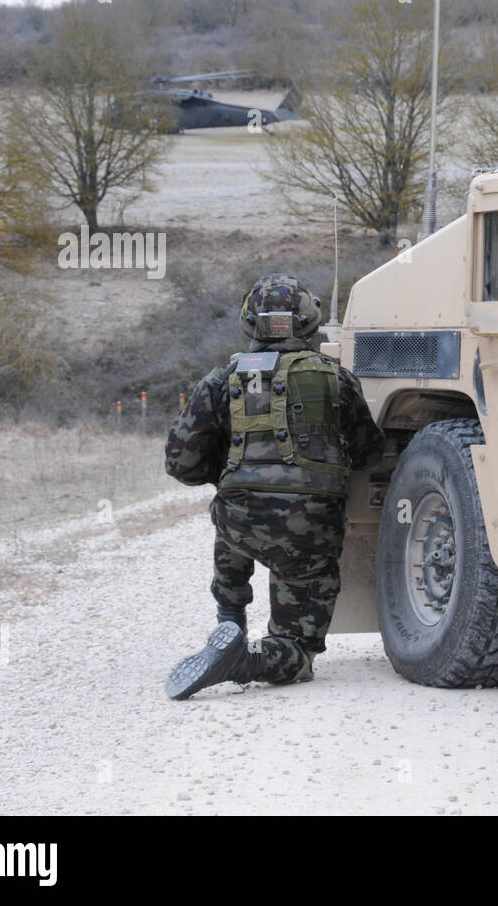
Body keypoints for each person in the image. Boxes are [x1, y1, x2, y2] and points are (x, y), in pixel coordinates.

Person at [163, 274, 383, 700]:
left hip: (239, 525)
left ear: (249, 323)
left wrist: (233, 467)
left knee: (231, 504)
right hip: (309, 530)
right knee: (297, 651)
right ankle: (246, 660)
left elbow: (181, 464)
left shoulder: (222, 380)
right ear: (310, 320)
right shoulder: (337, 379)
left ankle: (230, 620)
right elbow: (368, 453)